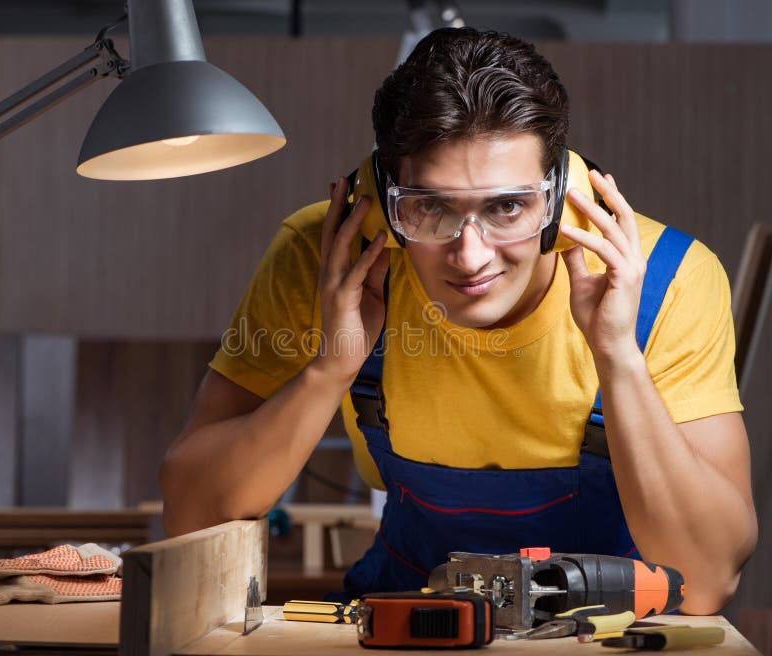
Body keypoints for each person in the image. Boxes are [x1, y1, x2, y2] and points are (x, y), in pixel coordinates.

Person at [160, 27, 757, 614]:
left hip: (609, 635)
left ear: (560, 198)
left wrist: (618, 358)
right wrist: (329, 369)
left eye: (508, 207)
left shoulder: (668, 281)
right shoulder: (330, 261)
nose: (471, 256)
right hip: (399, 619)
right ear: (382, 209)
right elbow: (192, 514)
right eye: (430, 207)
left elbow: (703, 581)